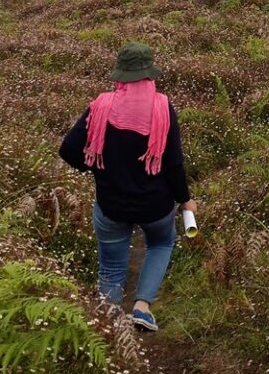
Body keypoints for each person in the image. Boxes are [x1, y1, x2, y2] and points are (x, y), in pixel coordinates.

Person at [60, 42, 193, 331]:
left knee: (111, 266)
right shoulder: (162, 107)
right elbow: (173, 164)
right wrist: (185, 200)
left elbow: (68, 149)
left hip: (111, 205)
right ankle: (142, 308)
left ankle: (109, 325)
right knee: (161, 243)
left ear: (119, 75)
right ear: (149, 75)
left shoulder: (101, 106)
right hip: (156, 207)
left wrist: (95, 167)